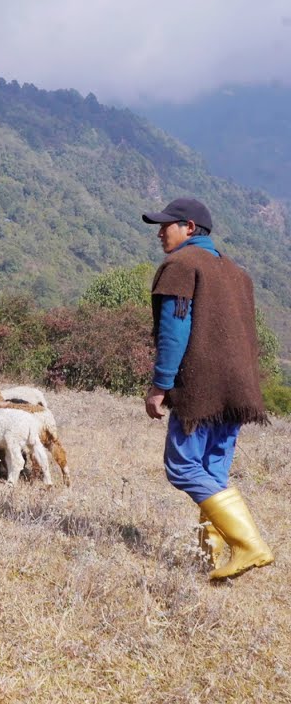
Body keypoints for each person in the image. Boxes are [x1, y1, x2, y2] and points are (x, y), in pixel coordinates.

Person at [141, 197, 273, 581]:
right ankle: (212, 559)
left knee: (182, 467)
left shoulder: (181, 265)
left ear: (190, 228)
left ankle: (250, 546)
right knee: (212, 471)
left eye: (167, 225)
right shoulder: (237, 273)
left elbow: (175, 330)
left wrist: (160, 385)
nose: (160, 232)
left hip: (202, 390)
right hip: (239, 391)